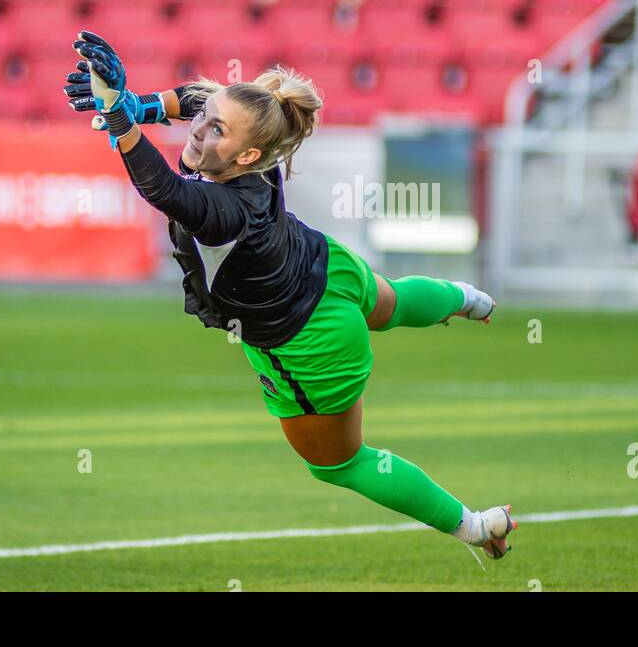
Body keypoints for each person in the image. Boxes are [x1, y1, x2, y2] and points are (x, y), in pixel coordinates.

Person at [65, 30, 517, 559]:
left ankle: (475, 526)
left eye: (217, 131)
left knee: (338, 464)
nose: (201, 132)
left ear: (248, 152)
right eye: (204, 122)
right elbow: (200, 100)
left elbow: (162, 190)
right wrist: (141, 104)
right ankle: (467, 298)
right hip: (331, 268)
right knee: (389, 304)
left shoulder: (224, 212)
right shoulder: (260, 148)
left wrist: (121, 120)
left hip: (308, 343)